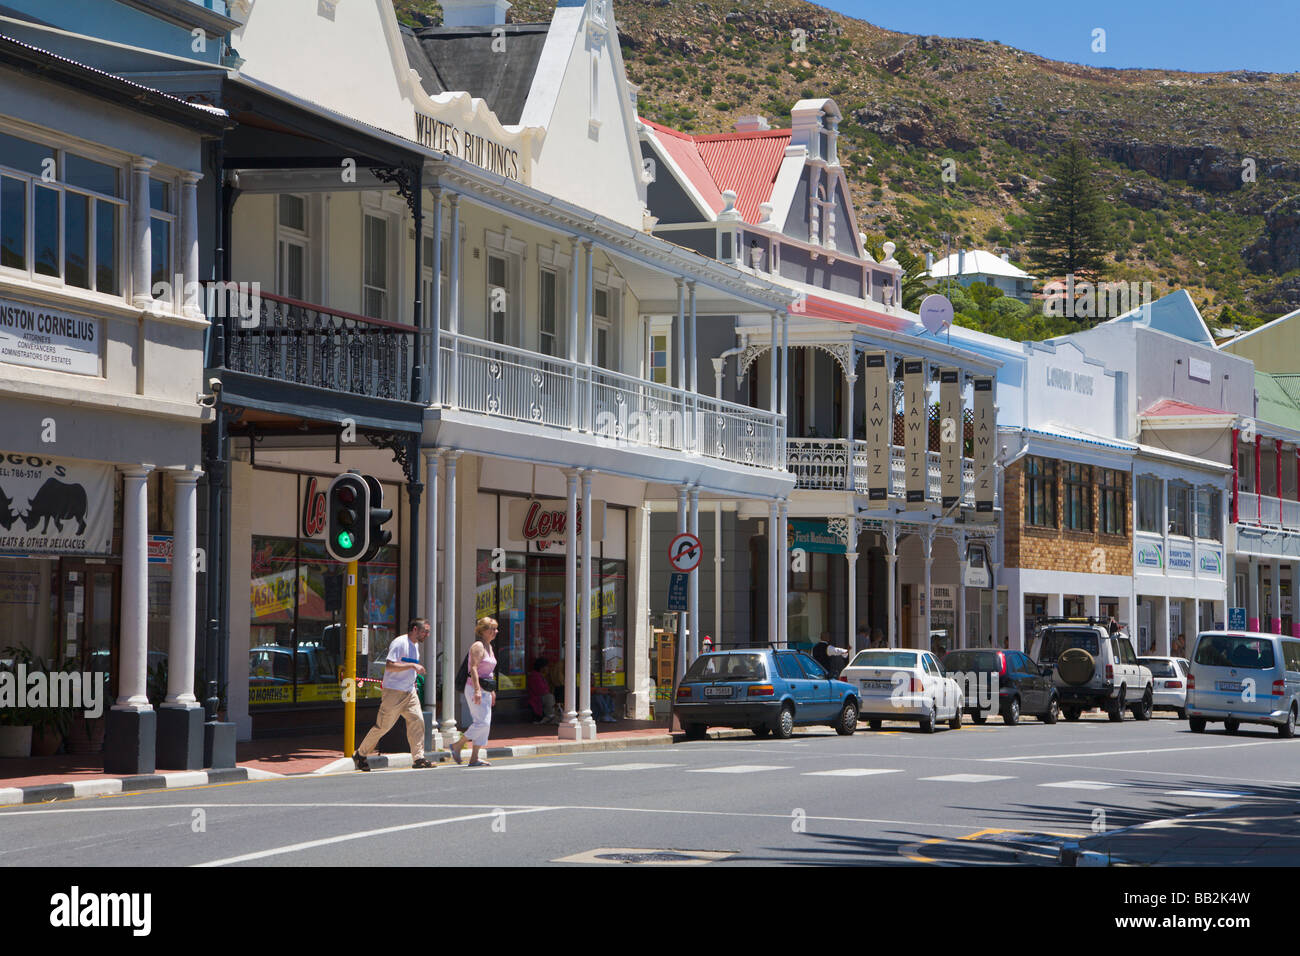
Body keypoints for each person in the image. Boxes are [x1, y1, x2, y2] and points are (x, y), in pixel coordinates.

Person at [353, 618, 432, 771]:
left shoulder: (415, 646)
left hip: (409, 692)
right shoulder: (399, 643)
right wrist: (412, 665)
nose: (427, 635)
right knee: (383, 727)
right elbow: (389, 666)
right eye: (425, 631)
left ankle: (418, 758)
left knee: (418, 721)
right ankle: (360, 755)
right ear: (415, 629)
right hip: (393, 693)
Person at [452, 617, 498, 767]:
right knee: (482, 723)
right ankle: (458, 745)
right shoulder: (478, 646)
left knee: (486, 724)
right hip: (474, 688)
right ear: (483, 630)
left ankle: (474, 757)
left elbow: (489, 671)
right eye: (492, 629)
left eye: (496, 629)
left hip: (485, 689)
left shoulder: (489, 646)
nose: (495, 632)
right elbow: (473, 668)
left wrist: (491, 691)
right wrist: (477, 690)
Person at [527, 657, 559, 724]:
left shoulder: (540, 675)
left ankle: (553, 715)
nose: (548, 668)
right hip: (536, 698)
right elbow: (541, 691)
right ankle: (550, 715)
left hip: (540, 697)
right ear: (542, 667)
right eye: (547, 667)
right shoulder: (535, 676)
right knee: (549, 697)